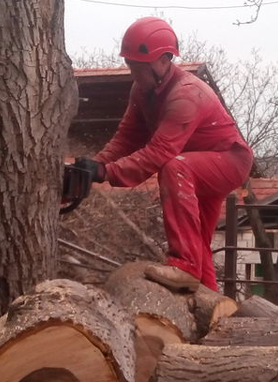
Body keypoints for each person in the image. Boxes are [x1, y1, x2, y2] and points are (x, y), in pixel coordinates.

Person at [75, 17, 253, 292]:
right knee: (199, 241)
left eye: (139, 67)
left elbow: (160, 152)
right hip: (198, 164)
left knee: (174, 167)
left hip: (228, 160)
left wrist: (107, 173)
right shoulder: (142, 90)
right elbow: (128, 136)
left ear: (163, 60)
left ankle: (185, 266)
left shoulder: (186, 94)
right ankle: (209, 303)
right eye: (131, 65)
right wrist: (95, 164)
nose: (134, 73)